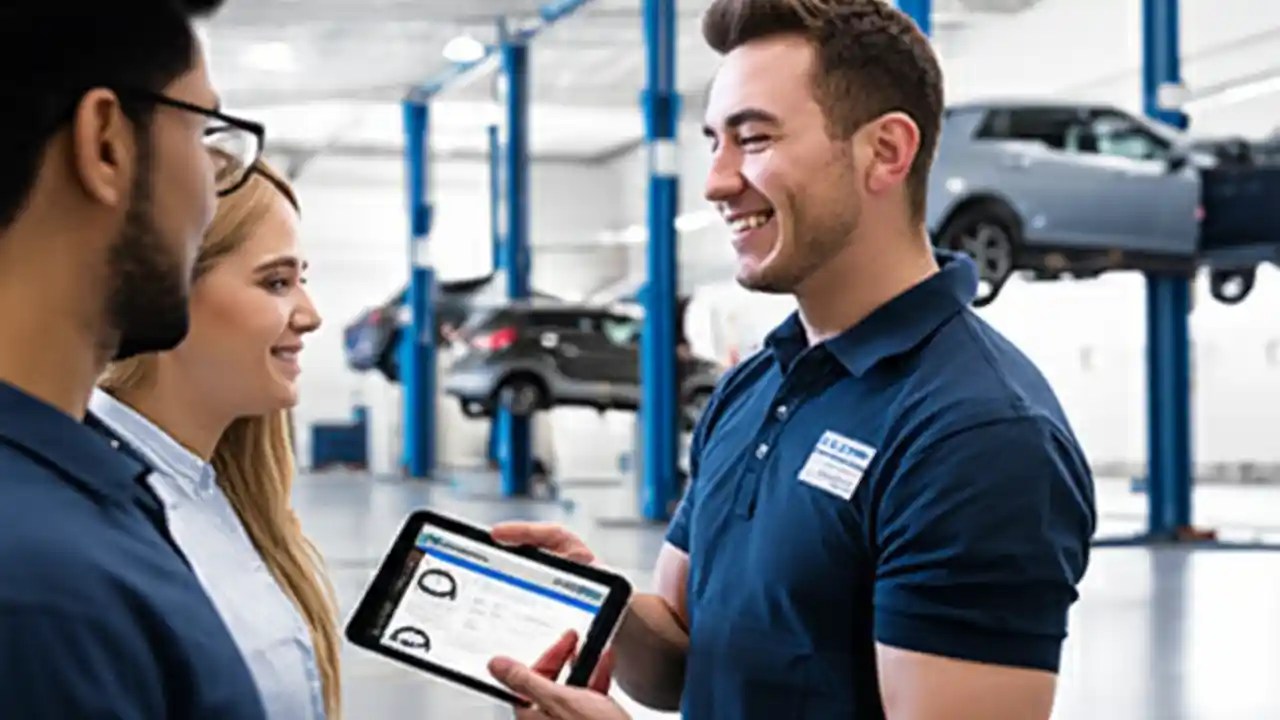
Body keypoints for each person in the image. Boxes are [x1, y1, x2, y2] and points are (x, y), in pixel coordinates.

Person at [486, 1, 1097, 719]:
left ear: (886, 151)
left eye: (752, 139)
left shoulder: (978, 434)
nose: (715, 180)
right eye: (714, 141)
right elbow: (685, 662)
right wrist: (603, 603)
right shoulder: (756, 383)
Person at [0, 1, 276, 718]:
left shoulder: (68, 490)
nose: (213, 202)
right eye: (206, 137)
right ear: (107, 143)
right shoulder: (45, 594)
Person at [92, 159, 339, 720]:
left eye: (303, 279)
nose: (311, 314)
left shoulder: (217, 494)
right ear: (163, 294)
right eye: (276, 282)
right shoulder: (100, 514)